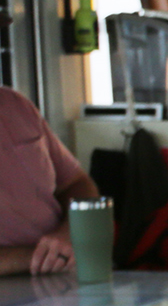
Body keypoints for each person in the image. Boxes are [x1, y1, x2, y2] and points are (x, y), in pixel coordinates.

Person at [0, 86, 100, 276]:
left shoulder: (14, 104)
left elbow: (76, 182)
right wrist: (41, 256)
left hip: (67, 272)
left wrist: (71, 231)